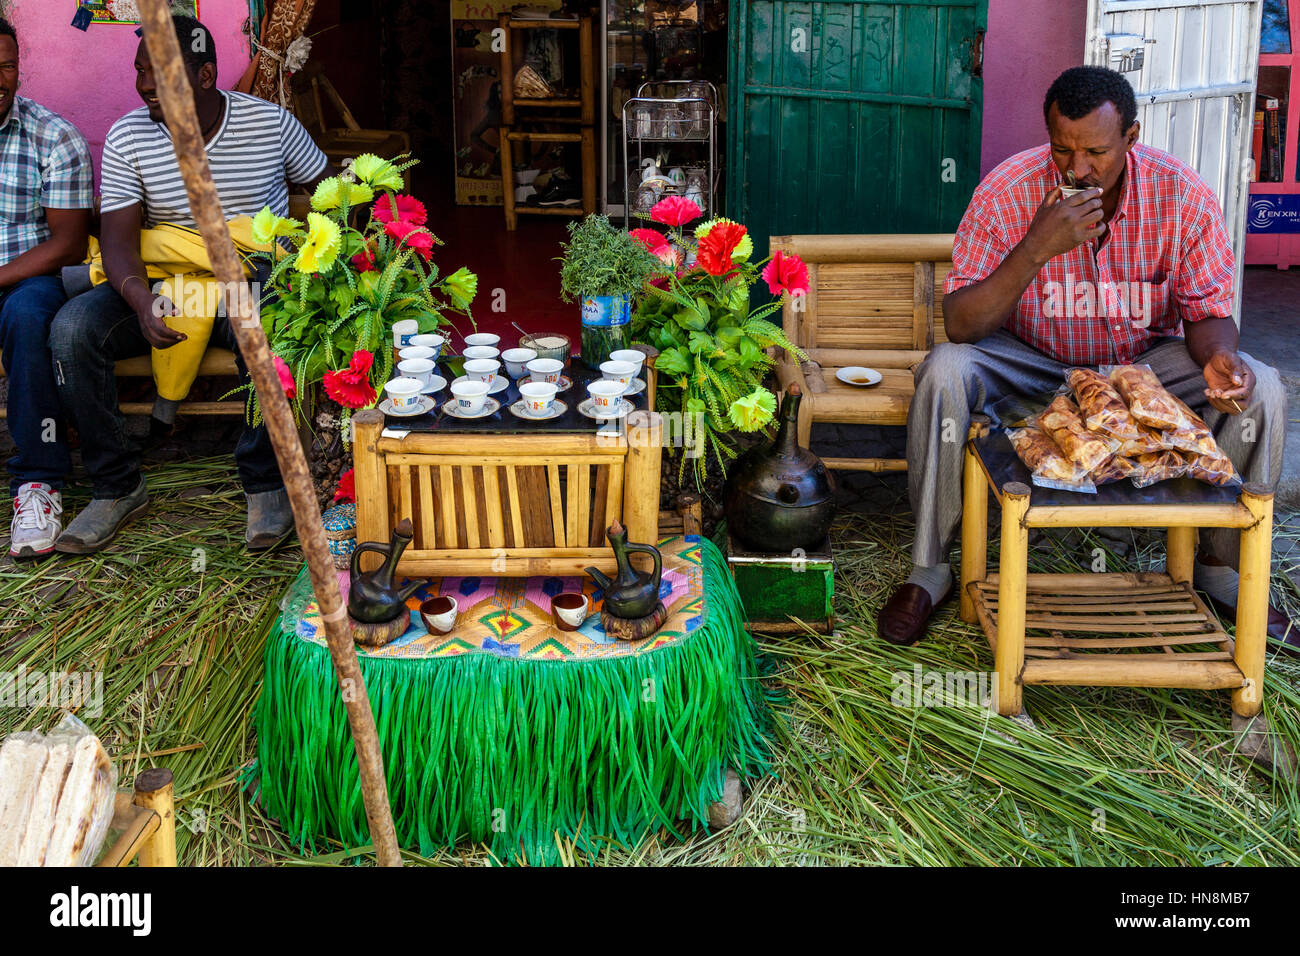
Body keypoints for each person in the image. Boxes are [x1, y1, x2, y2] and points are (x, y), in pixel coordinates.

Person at [878, 66, 1293, 650]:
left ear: (1132, 136)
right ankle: (928, 570)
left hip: (1141, 373)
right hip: (1033, 365)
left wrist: (1220, 356)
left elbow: (1207, 312)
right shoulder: (1008, 189)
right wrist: (1036, 247)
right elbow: (962, 323)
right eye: (1062, 149)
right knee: (944, 370)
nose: (1077, 169)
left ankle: (1221, 567)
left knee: (1266, 389)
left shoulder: (1181, 195)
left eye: (1096, 151)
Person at [49, 14, 333, 554]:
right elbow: (118, 242)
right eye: (140, 71)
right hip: (161, 282)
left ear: (205, 77)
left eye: (162, 72)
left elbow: (331, 194)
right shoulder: (130, 135)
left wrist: (314, 251)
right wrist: (138, 299)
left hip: (244, 284)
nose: (146, 85)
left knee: (274, 319)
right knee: (70, 332)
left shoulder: (268, 125)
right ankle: (115, 486)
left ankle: (266, 481)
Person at [0, 17, 94, 558]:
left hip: (26, 278)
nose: (0, 77)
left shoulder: (52, 135)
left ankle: (38, 482)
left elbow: (69, 245)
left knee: (32, 317)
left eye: (7, 65)